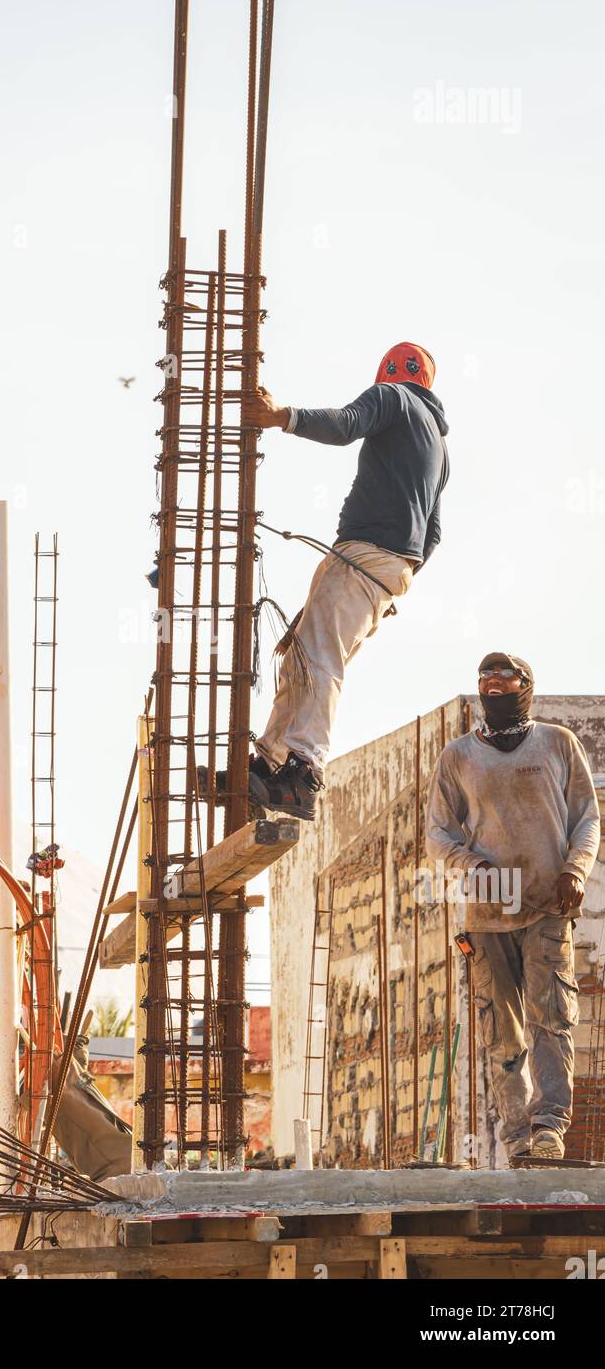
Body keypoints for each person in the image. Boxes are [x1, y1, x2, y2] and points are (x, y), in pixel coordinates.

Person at [239, 342, 449, 821]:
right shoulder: (439, 444)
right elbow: (432, 534)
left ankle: (301, 772)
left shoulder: (392, 397)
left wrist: (280, 416)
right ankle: (272, 763)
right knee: (304, 657)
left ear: (388, 374)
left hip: (362, 555)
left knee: (317, 660)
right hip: (387, 573)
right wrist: (396, 578)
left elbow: (347, 424)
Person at [425, 653, 601, 1162]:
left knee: (552, 1019)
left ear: (526, 686)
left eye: (505, 679)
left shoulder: (557, 743)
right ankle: (517, 1136)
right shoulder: (458, 756)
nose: (494, 687)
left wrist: (575, 870)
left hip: (549, 905)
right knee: (502, 1029)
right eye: (486, 681)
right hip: (487, 913)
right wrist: (470, 865)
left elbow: (586, 817)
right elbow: (438, 832)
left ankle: (549, 1128)